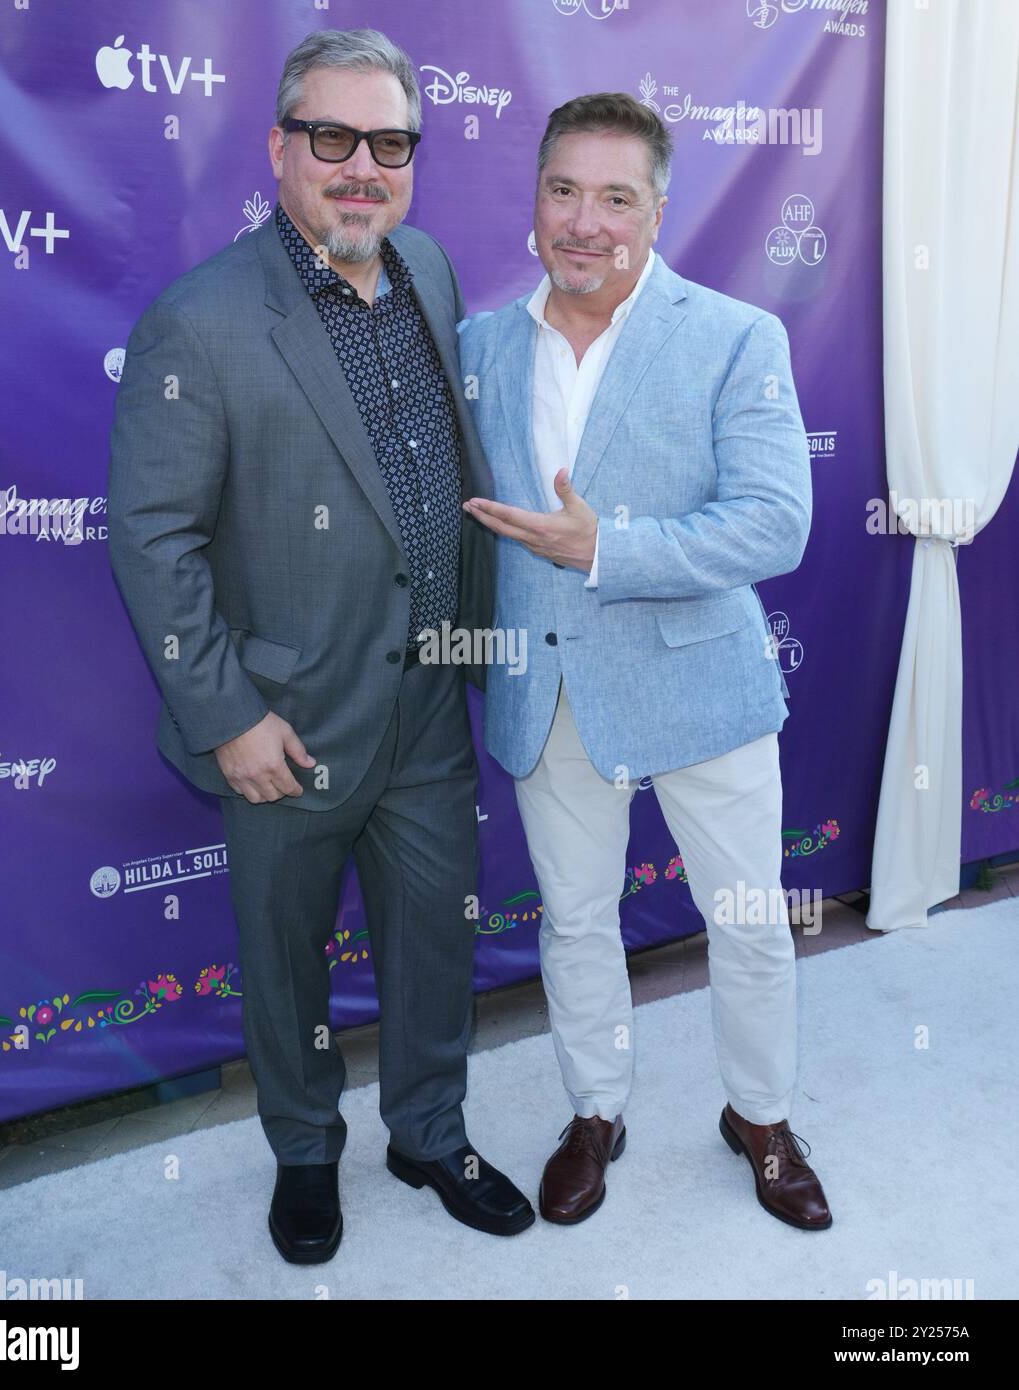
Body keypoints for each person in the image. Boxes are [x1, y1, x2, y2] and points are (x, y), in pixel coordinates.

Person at [107, 27, 534, 1265]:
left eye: (388, 142)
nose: (362, 167)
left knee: (434, 935)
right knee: (284, 958)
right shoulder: (200, 321)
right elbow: (152, 538)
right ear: (280, 147)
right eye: (332, 138)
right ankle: (304, 1147)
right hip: (283, 721)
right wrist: (227, 713)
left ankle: (429, 1130)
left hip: (425, 707)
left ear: (412, 156)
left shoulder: (433, 271)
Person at [458, 92, 831, 1230]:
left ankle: (759, 1119)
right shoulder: (479, 343)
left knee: (746, 917)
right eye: (562, 189)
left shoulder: (732, 336)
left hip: (700, 687)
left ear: (657, 209)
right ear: (533, 201)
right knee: (573, 920)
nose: (583, 220)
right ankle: (595, 1110)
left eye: (614, 196)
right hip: (547, 690)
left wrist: (607, 546)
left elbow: (775, 522)